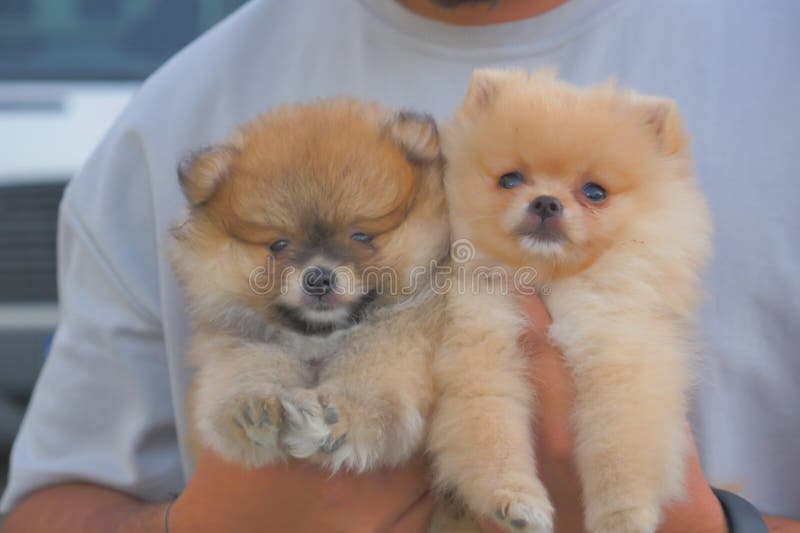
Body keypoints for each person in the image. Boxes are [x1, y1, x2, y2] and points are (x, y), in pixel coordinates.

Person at [2, 0, 799, 531]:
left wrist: (706, 523)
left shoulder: (775, 62)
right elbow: (51, 505)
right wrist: (206, 525)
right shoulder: (172, 114)